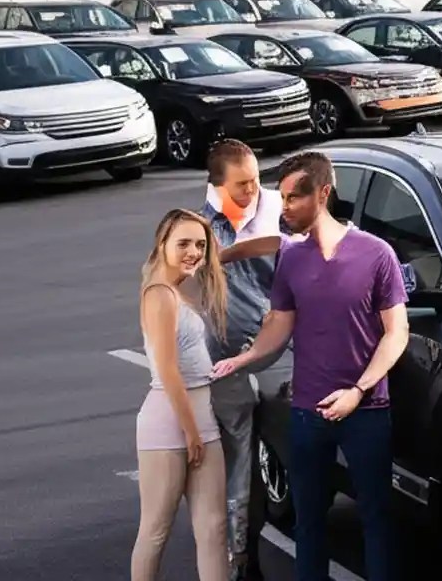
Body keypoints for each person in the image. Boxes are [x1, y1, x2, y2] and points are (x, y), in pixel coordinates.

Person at [213, 151, 410, 581]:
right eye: (281, 197)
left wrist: (358, 391)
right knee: (309, 522)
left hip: (367, 410)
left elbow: (396, 333)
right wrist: (244, 359)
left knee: (376, 518)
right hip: (307, 411)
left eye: (292, 198)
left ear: (323, 193)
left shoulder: (377, 255)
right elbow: (280, 325)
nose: (282, 208)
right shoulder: (293, 258)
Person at [199, 139, 284, 581]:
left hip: (283, 351)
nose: (252, 190)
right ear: (216, 184)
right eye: (241, 185)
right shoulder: (198, 229)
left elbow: (285, 243)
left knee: (291, 450)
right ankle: (240, 560)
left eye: (255, 179)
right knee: (239, 465)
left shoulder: (275, 207)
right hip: (227, 360)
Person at [132, 209, 230, 581]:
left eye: (201, 245)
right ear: (162, 245)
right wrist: (190, 432)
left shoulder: (176, 292)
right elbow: (167, 369)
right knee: (155, 531)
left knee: (214, 528)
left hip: (201, 420)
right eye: (184, 243)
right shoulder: (159, 294)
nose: (194, 252)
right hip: (170, 423)